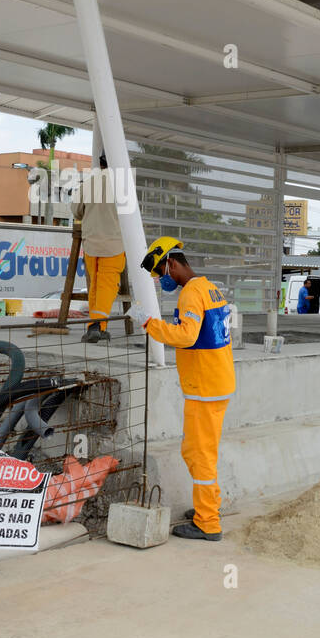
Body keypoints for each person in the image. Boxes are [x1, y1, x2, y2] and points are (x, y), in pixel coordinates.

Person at [138, 237, 235, 541]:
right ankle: (208, 507)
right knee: (200, 451)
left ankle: (208, 522)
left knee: (198, 454)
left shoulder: (191, 294)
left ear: (173, 263)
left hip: (204, 387)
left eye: (161, 272)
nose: (161, 279)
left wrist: (149, 324)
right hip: (218, 382)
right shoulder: (210, 287)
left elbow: (186, 336)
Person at [74, 153, 126, 344]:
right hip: (114, 244)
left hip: (91, 243)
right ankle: (97, 325)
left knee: (94, 284)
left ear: (101, 164)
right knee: (107, 286)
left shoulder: (88, 183)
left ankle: (95, 327)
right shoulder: (123, 185)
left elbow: (76, 210)